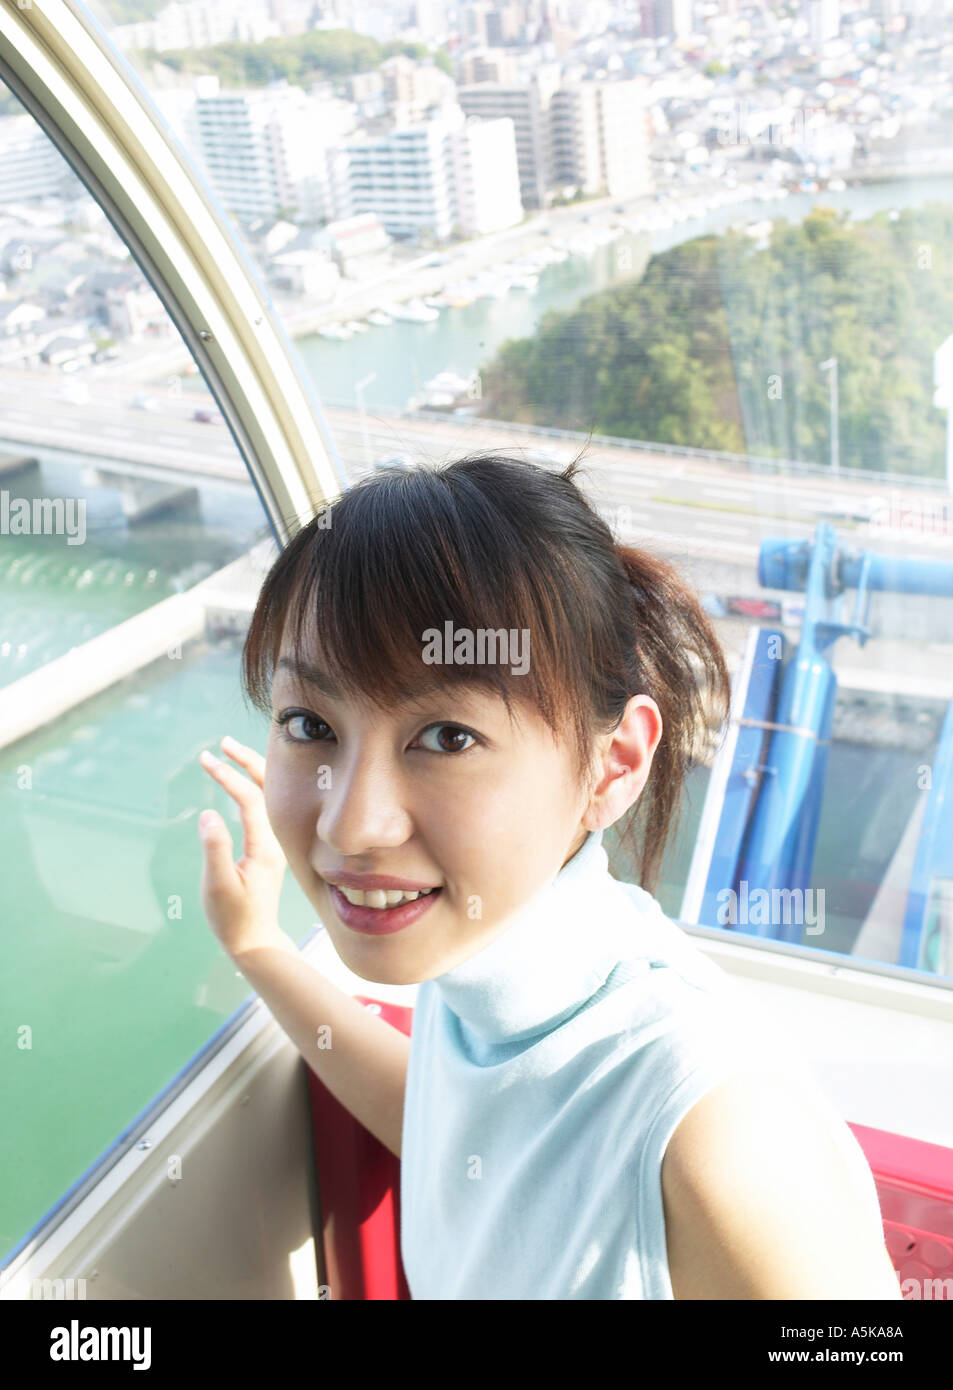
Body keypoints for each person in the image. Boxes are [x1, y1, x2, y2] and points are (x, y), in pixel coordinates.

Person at [197, 452, 902, 1300]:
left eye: (447, 738)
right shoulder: (477, 979)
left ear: (611, 766)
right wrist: (258, 947)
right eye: (309, 723)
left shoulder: (728, 1139)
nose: (353, 823)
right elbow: (468, 1139)